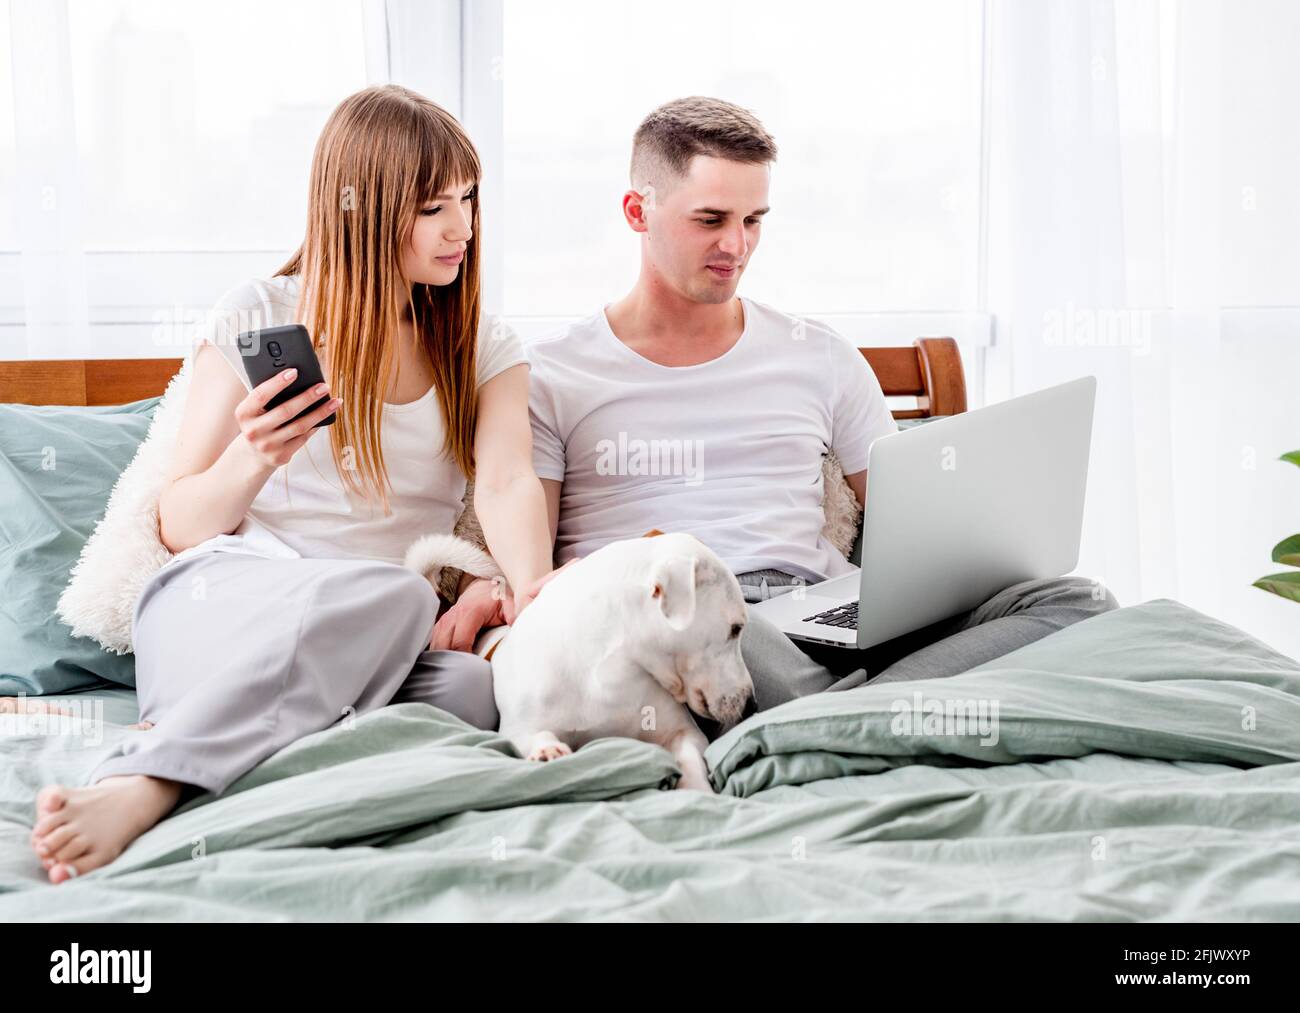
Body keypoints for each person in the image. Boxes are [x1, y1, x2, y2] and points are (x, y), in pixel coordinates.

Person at [441, 95, 1118, 725]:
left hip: (816, 616)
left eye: (752, 221)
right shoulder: (558, 370)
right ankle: (882, 711)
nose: (736, 246)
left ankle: (845, 718)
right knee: (723, 625)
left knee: (1076, 601)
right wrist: (500, 587)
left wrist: (969, 558)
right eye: (710, 219)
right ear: (637, 211)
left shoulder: (816, 355)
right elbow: (533, 549)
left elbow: (914, 524)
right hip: (685, 620)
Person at [28, 84, 552, 884]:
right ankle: (148, 779)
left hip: (364, 637)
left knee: (479, 689)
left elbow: (511, 480)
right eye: (432, 207)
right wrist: (254, 457)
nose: (462, 227)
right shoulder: (259, 312)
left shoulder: (482, 343)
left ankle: (234, 742)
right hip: (223, 605)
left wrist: (535, 590)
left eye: (468, 198)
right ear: (364, 209)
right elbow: (176, 524)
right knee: (405, 596)